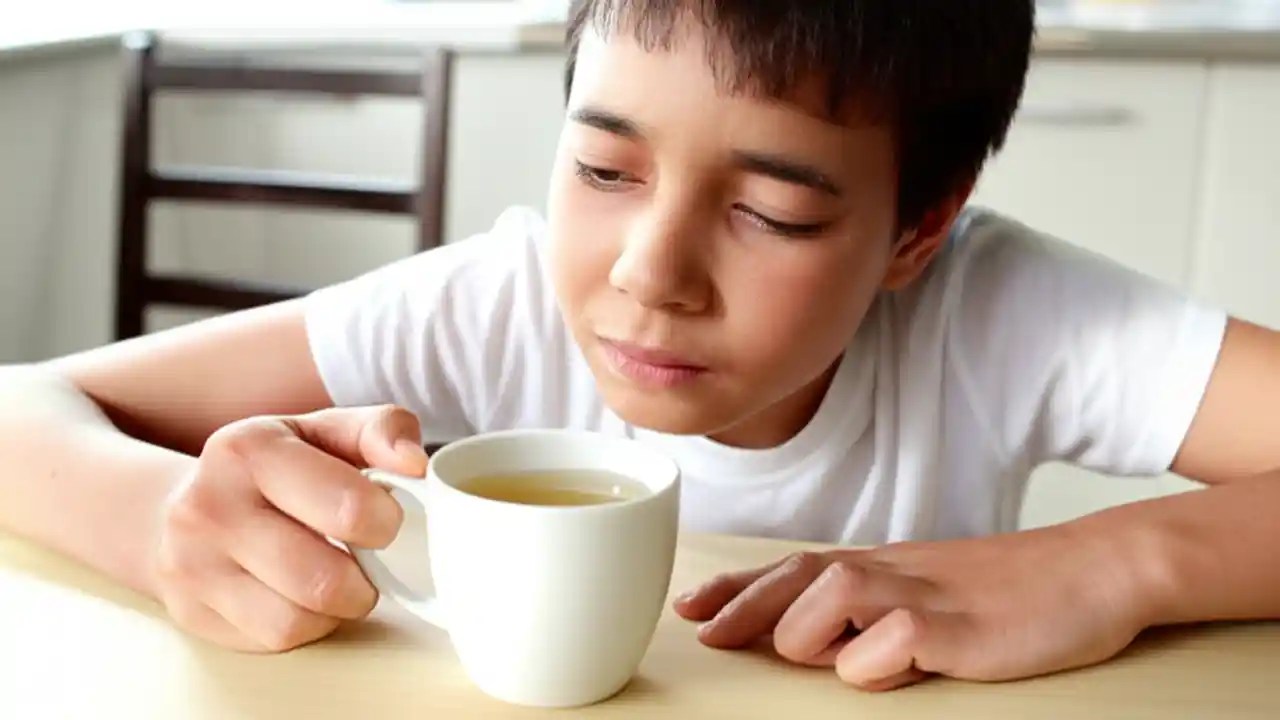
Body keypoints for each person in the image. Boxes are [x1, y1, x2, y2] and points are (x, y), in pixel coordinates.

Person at [2, 0, 1279, 693]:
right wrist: (162, 520)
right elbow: (19, 407)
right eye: (603, 166)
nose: (646, 276)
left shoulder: (999, 317)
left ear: (917, 228)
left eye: (769, 212)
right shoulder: (497, 300)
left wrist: (1119, 565)